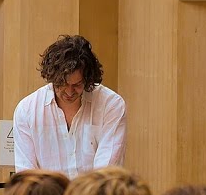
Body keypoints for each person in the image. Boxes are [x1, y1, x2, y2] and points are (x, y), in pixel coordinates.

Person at [13, 34, 126, 178]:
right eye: (62, 84)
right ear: (52, 78)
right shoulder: (27, 110)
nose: (69, 91)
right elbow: (27, 175)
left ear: (88, 79)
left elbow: (106, 174)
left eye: (77, 85)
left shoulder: (111, 105)